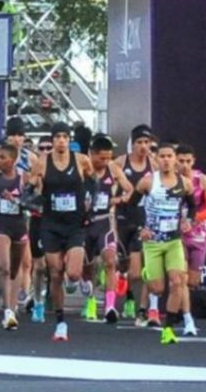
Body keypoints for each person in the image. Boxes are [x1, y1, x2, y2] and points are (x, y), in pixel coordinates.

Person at [28, 122, 93, 342]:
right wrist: (33, 190)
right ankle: (60, 321)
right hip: (51, 223)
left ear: (69, 140)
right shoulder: (42, 162)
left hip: (74, 223)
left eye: (65, 137)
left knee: (72, 273)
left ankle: (77, 280)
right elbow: (31, 185)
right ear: (53, 140)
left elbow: (93, 181)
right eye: (58, 137)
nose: (61, 141)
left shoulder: (81, 160)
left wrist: (90, 200)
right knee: (55, 272)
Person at [134, 143, 194, 345]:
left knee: (178, 282)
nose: (166, 160)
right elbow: (131, 206)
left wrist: (188, 221)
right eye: (162, 156)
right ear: (156, 159)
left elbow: (192, 206)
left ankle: (168, 329)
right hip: (152, 242)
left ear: (175, 158)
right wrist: (140, 228)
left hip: (173, 240)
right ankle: (147, 274)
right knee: (157, 289)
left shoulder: (184, 183)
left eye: (170, 156)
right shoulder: (148, 182)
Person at [82, 134, 133, 324]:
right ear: (92, 154)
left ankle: (110, 306)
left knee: (110, 261)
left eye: (108, 157)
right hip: (85, 223)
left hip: (105, 221)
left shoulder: (113, 169)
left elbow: (130, 190)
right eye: (101, 158)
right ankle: (91, 300)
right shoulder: (84, 169)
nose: (105, 162)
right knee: (88, 267)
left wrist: (117, 200)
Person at [176, 144, 206, 337]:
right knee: (182, 278)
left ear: (193, 161)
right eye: (181, 161)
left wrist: (194, 219)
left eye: (188, 161)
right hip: (176, 234)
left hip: (198, 234)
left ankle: (179, 305)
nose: (184, 165)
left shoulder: (202, 180)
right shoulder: (170, 180)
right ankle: (188, 318)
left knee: (192, 282)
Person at [115, 125, 158, 324]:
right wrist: (118, 199)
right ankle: (128, 292)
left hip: (143, 219)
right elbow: (108, 188)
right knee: (121, 265)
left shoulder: (154, 165)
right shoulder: (120, 162)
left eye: (146, 143)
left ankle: (138, 304)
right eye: (139, 142)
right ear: (132, 144)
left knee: (136, 270)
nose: (143, 146)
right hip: (122, 218)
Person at [0, 143, 28, 330]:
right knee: (4, 266)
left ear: (14, 159)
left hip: (19, 225)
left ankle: (12, 304)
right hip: (0, 224)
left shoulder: (22, 178)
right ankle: (8, 312)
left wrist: (15, 200)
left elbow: (33, 203)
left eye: (3, 158)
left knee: (15, 268)